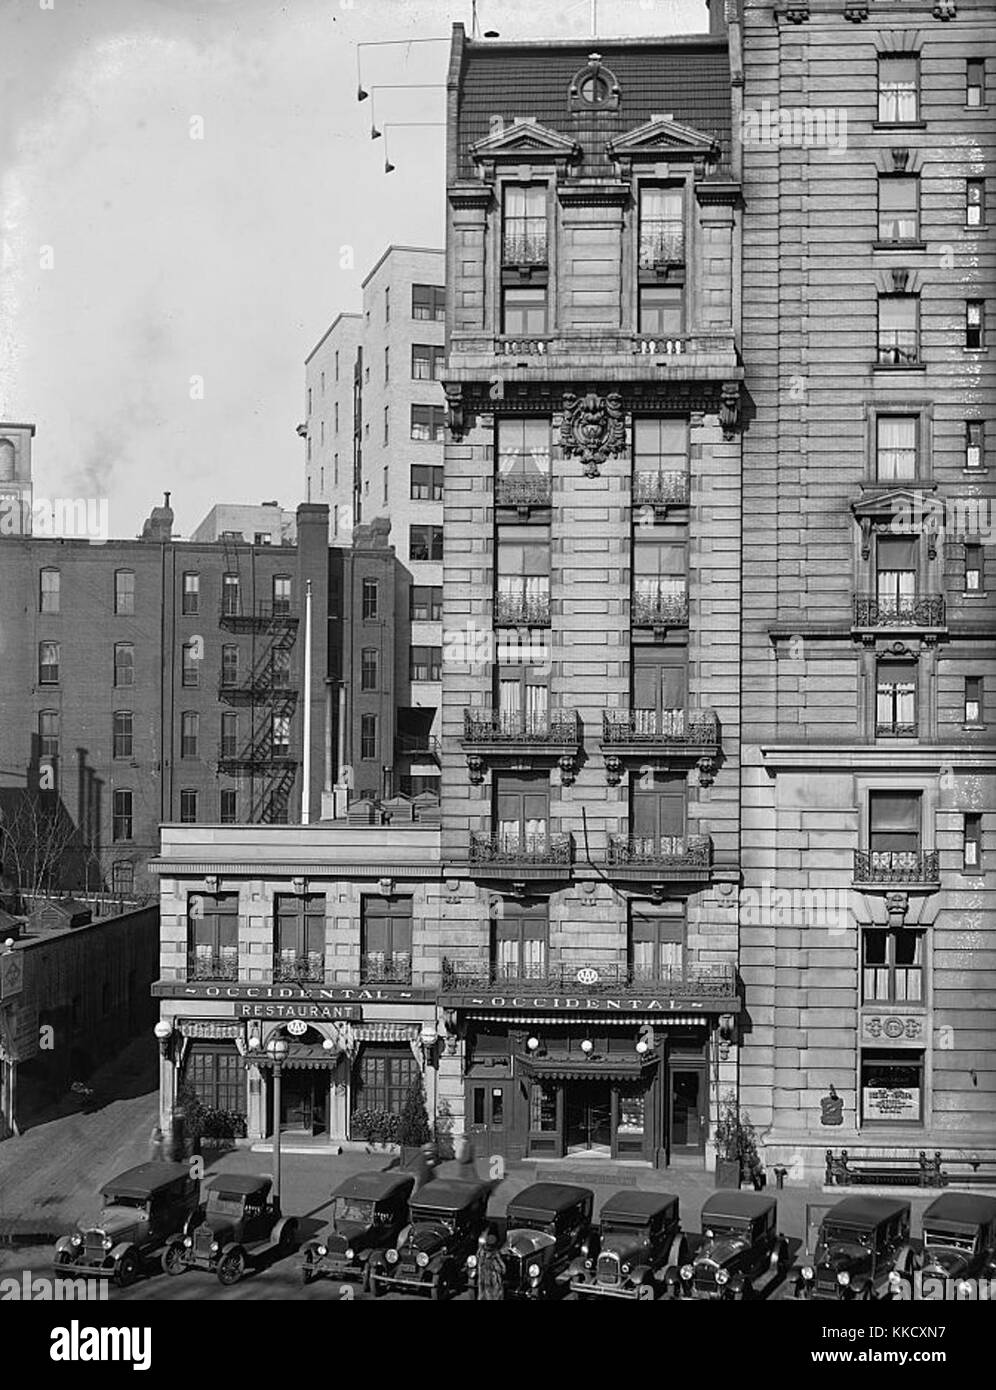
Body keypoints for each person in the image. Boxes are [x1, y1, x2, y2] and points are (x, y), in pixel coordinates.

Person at [474, 1228, 505, 1301]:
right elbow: (502, 1269)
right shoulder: (495, 1255)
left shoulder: (480, 1252)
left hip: (483, 1285)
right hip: (493, 1287)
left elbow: (477, 1262)